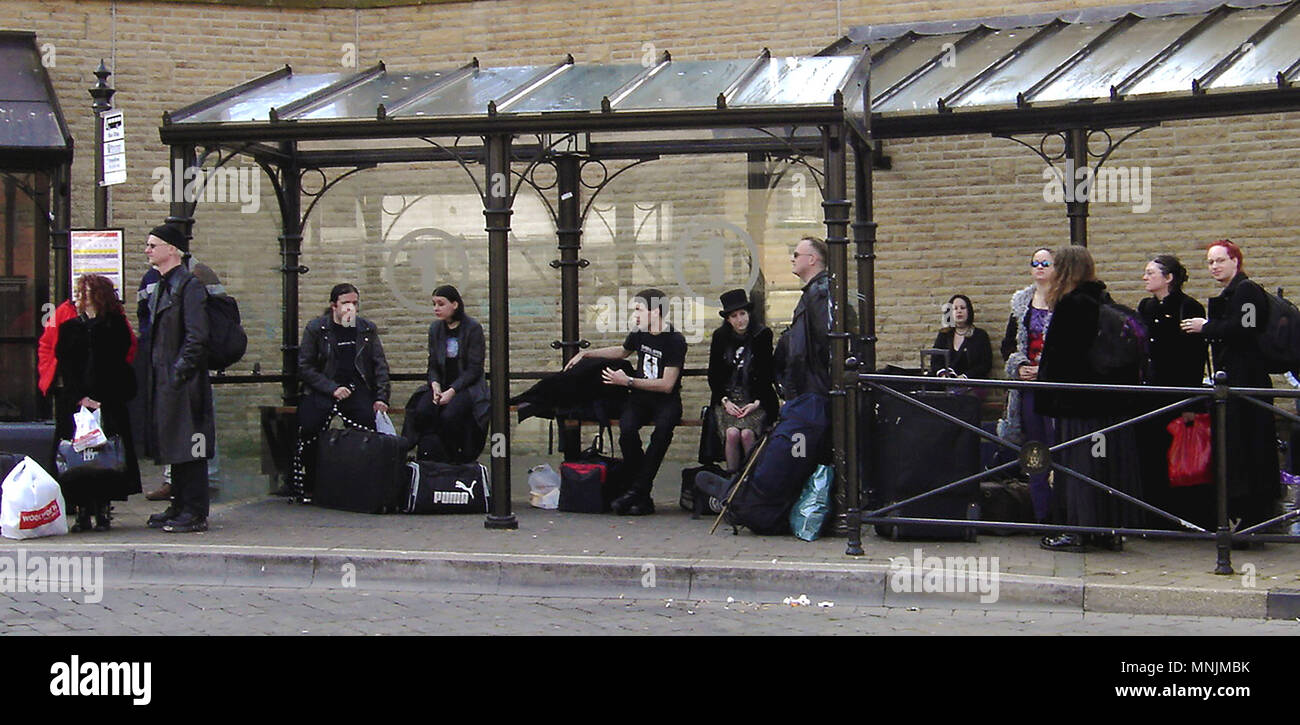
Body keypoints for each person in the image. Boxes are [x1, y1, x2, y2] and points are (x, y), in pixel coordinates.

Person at [694, 236, 834, 535]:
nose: (792, 257)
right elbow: (717, 376)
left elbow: (824, 345)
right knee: (771, 448)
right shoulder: (814, 293)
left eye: (797, 254)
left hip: (811, 396)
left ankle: (743, 499)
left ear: (812, 259)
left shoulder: (820, 293)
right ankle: (739, 490)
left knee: (784, 454)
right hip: (802, 396)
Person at [1036, 245, 1143, 552]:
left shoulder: (1072, 305)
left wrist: (1047, 392)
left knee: (1078, 465)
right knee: (1103, 465)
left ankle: (1077, 529)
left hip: (1078, 404)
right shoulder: (1101, 300)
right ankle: (1106, 529)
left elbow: (1062, 358)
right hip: (1107, 404)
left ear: (1066, 270)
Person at [1180, 239, 1281, 531]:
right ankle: (1247, 517)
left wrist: (1206, 327)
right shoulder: (1233, 292)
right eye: (1210, 262)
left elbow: (1245, 328)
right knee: (1239, 449)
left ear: (1235, 261)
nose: (1214, 266)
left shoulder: (1247, 290)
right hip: (1234, 381)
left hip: (1247, 384)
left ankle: (1255, 519)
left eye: (1220, 260)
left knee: (1250, 449)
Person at [565, 288, 686, 515]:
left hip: (665, 399)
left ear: (656, 311)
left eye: (639, 310)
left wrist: (627, 381)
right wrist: (587, 354)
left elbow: (667, 384)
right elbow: (622, 352)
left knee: (662, 433)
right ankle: (641, 494)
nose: (635, 315)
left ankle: (638, 490)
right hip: (640, 398)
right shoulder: (639, 333)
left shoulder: (675, 340)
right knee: (627, 431)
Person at [47, 274, 142, 531]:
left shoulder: (115, 326)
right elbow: (66, 365)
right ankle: (81, 511)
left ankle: (102, 508)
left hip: (108, 401)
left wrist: (103, 399)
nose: (79, 297)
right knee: (77, 458)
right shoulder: (69, 328)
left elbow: (119, 365)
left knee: (105, 456)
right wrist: (80, 397)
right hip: (76, 403)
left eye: (84, 292)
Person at [140, 223, 215, 533]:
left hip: (185, 381)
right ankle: (179, 504)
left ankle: (194, 510)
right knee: (175, 443)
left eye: (153, 245)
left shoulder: (189, 285)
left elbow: (197, 336)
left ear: (172, 249)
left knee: (191, 445)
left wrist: (179, 371)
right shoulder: (163, 285)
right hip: (167, 376)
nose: (147, 250)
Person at [293, 283, 392, 501]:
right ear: (333, 306)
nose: (351, 308)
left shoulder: (365, 329)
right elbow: (305, 367)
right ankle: (311, 483)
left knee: (367, 424)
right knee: (310, 426)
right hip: (324, 388)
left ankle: (362, 483)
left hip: (356, 389)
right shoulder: (317, 329)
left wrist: (381, 398)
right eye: (346, 303)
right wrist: (332, 388)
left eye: (355, 303)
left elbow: (380, 366)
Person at [1135, 255, 1211, 530]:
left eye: (1150, 273)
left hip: (1177, 394)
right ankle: (1153, 515)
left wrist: (1191, 400)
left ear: (1168, 278)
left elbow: (1194, 356)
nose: (1145, 277)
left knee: (1180, 455)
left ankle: (1186, 516)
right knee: (1151, 453)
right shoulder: (1145, 306)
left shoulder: (1187, 306)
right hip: (1149, 393)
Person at [999, 248, 1056, 523]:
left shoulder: (1065, 301)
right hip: (1028, 388)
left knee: (1061, 446)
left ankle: (1066, 512)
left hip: (1056, 387)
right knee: (1035, 449)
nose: (1040, 267)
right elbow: (1008, 345)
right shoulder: (1021, 303)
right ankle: (1041, 514)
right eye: (1035, 263)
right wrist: (1020, 365)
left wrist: (1045, 368)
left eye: (1046, 263)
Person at [409, 285, 489, 463]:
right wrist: (435, 385)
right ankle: (429, 454)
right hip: (442, 384)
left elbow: (474, 368)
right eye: (434, 304)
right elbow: (433, 364)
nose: (436, 308)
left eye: (441, 304)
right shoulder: (435, 329)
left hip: (466, 387)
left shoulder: (472, 328)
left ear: (455, 304)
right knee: (422, 410)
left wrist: (452, 391)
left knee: (450, 415)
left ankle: (454, 457)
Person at [707, 289, 778, 473]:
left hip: (755, 399)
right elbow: (714, 375)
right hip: (728, 400)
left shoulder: (762, 335)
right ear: (728, 319)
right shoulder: (720, 337)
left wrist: (756, 403)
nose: (740, 320)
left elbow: (766, 372)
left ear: (748, 314)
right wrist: (724, 401)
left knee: (747, 434)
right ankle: (733, 481)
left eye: (743, 314)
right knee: (732, 434)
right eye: (734, 316)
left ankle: (752, 479)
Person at [930, 293, 992, 380]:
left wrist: (964, 377)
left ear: (969, 311)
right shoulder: (944, 335)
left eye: (962, 308)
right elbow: (935, 360)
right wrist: (943, 374)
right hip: (945, 383)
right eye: (955, 309)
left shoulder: (980, 335)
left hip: (971, 383)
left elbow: (985, 364)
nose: (959, 311)